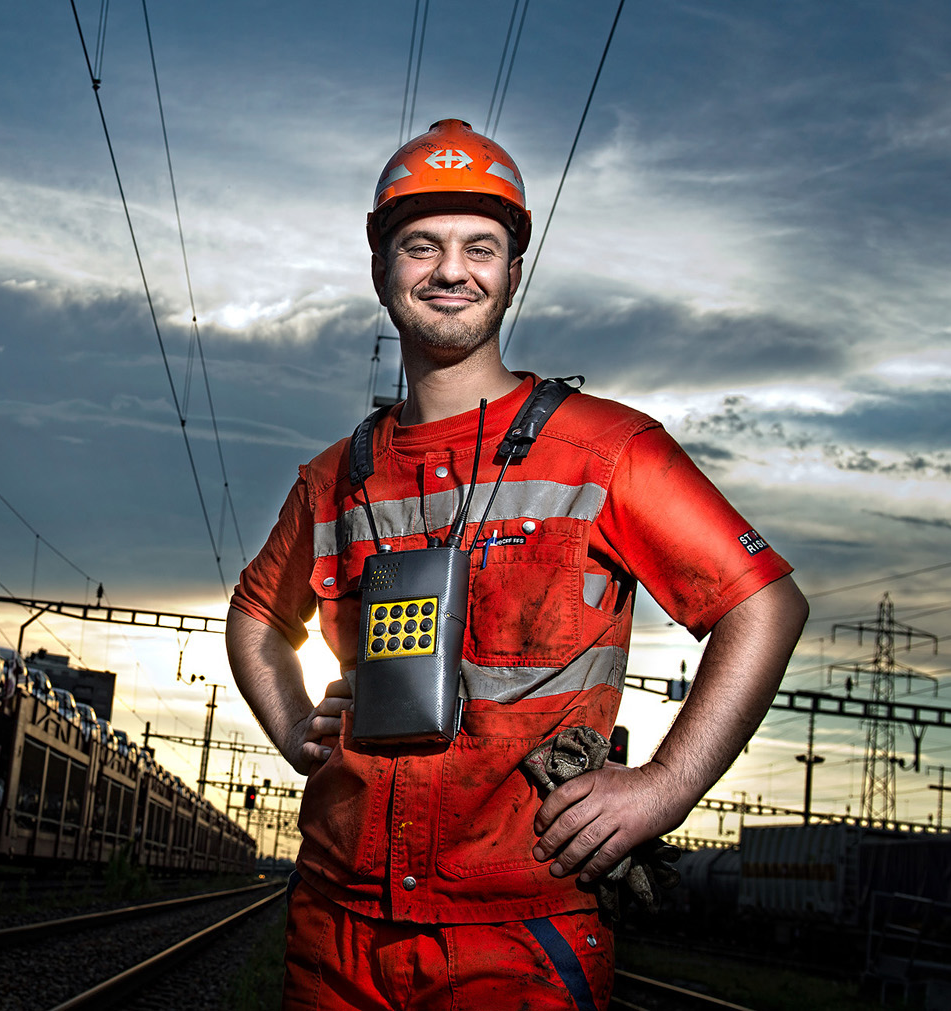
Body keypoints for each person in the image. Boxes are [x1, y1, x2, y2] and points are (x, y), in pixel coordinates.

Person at [226, 119, 808, 1010]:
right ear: (383, 267)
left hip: (521, 930)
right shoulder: (332, 479)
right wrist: (295, 724)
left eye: (480, 247)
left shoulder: (607, 451)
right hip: (336, 923)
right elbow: (257, 618)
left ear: (512, 274)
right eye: (421, 245)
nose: (451, 270)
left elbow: (764, 606)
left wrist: (664, 788)